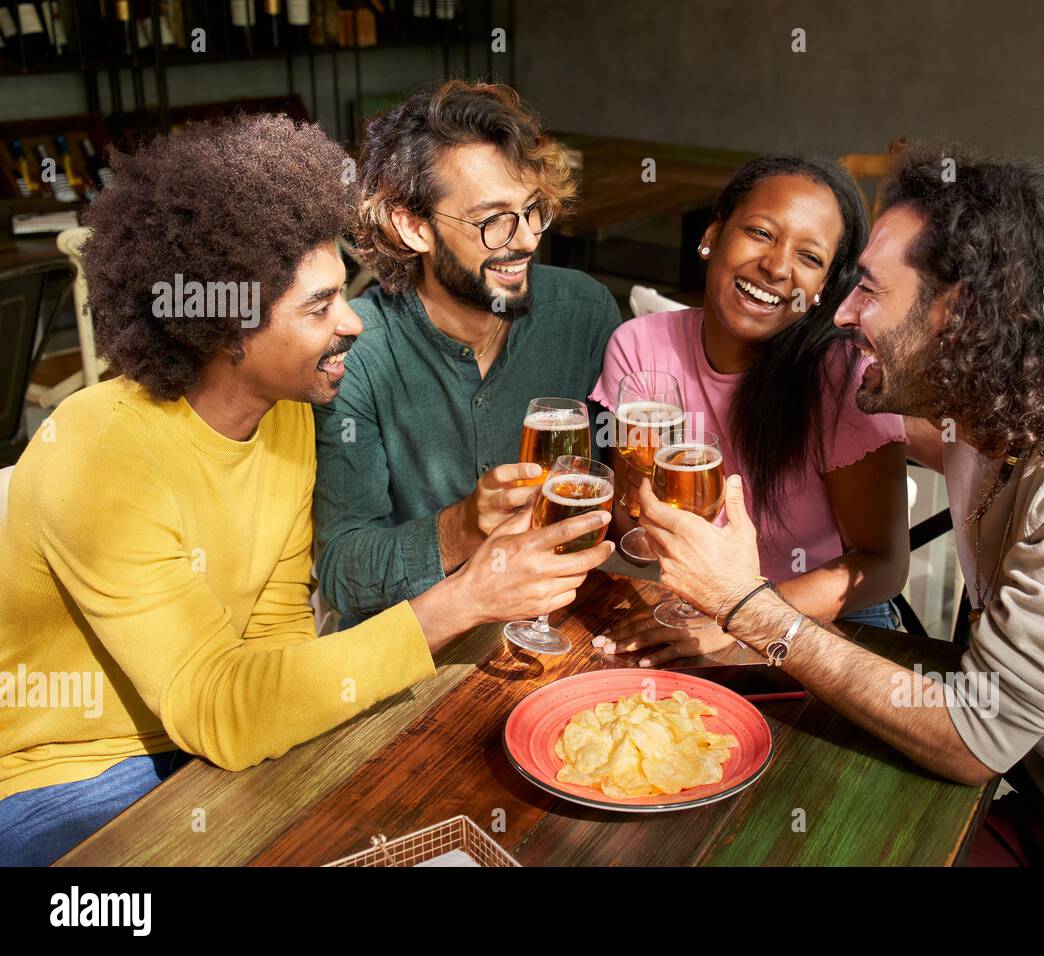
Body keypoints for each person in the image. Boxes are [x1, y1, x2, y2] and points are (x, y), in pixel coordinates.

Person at [633, 143, 1044, 866]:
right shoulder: (986, 412)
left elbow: (974, 739)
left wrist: (750, 605)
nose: (840, 310)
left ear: (964, 315)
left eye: (868, 291)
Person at [0, 116, 612, 867]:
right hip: (68, 781)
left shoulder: (287, 418)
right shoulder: (100, 453)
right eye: (319, 307)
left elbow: (275, 646)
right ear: (226, 330)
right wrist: (468, 598)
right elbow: (221, 707)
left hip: (218, 749)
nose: (353, 321)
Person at [313, 80, 622, 627]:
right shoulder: (356, 354)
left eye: (533, 211)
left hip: (562, 623)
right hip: (422, 658)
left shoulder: (584, 311)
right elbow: (341, 573)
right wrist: (464, 527)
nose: (524, 239)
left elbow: (611, 483)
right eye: (492, 220)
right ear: (412, 226)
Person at [592, 155, 910, 667]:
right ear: (712, 235)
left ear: (824, 288)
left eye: (809, 257)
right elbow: (634, 531)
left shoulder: (841, 375)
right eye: (761, 232)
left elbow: (884, 565)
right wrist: (639, 510)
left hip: (827, 622)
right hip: (687, 609)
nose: (778, 267)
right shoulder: (638, 347)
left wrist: (742, 617)